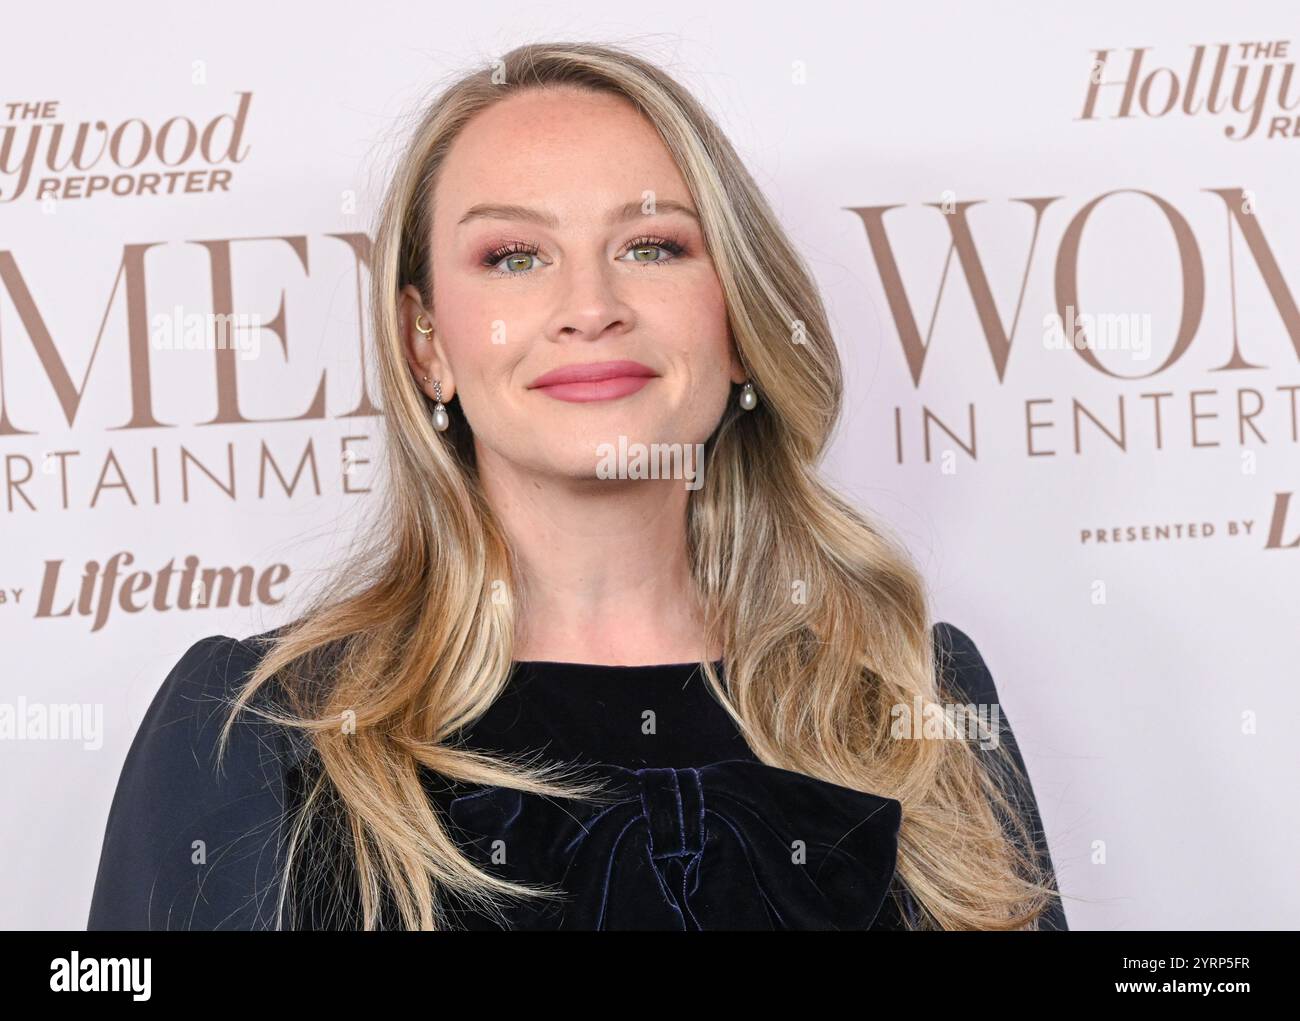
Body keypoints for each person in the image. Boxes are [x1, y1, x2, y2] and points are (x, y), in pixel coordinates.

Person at [87, 40, 1067, 931]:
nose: (590, 307)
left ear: (736, 323)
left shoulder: (910, 697)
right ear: (427, 344)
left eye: (652, 247)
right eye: (514, 257)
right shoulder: (257, 732)